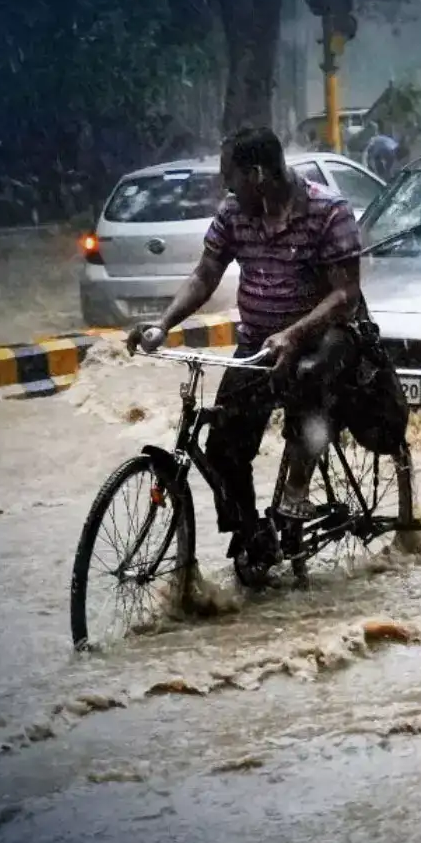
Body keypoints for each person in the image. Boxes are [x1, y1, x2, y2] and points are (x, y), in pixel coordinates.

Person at [126, 126, 364, 577]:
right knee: (223, 445)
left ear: (256, 173)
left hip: (323, 337)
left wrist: (294, 335)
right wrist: (162, 324)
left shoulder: (327, 211)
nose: (225, 185)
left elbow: (344, 296)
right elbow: (204, 274)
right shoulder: (236, 212)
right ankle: (251, 532)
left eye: (229, 175)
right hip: (258, 344)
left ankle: (297, 486)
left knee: (311, 376)